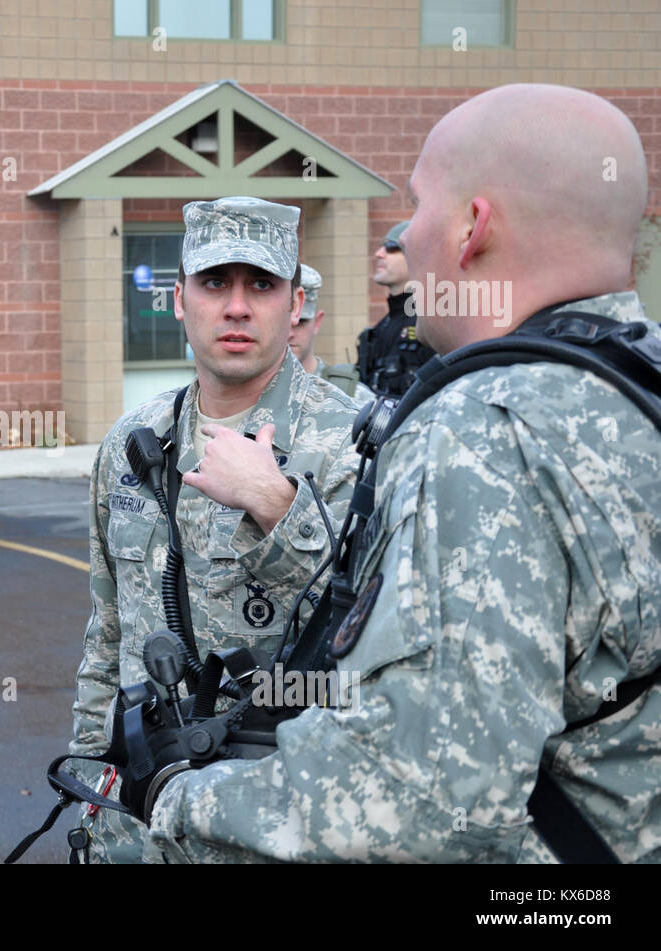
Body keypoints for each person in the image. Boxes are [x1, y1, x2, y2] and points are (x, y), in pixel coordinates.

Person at [144, 84, 661, 863]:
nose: (404, 241)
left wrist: (180, 799)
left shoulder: (483, 431)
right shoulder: (634, 387)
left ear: (472, 228)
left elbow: (421, 801)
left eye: (418, 207)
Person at [70, 197, 363, 863]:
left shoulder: (352, 448)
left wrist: (276, 504)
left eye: (261, 284)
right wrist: (94, 789)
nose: (236, 306)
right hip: (138, 828)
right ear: (179, 300)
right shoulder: (130, 444)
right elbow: (107, 637)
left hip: (278, 830)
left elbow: (374, 650)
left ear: (295, 306)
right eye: (214, 283)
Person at [355, 221, 434, 397]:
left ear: (417, 256)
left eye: (391, 247)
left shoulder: (432, 322)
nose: (379, 254)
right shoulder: (380, 329)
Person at [290, 263, 374, 404]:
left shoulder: (353, 397)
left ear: (317, 322)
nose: (289, 333)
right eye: (281, 322)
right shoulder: (245, 394)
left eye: (300, 323)